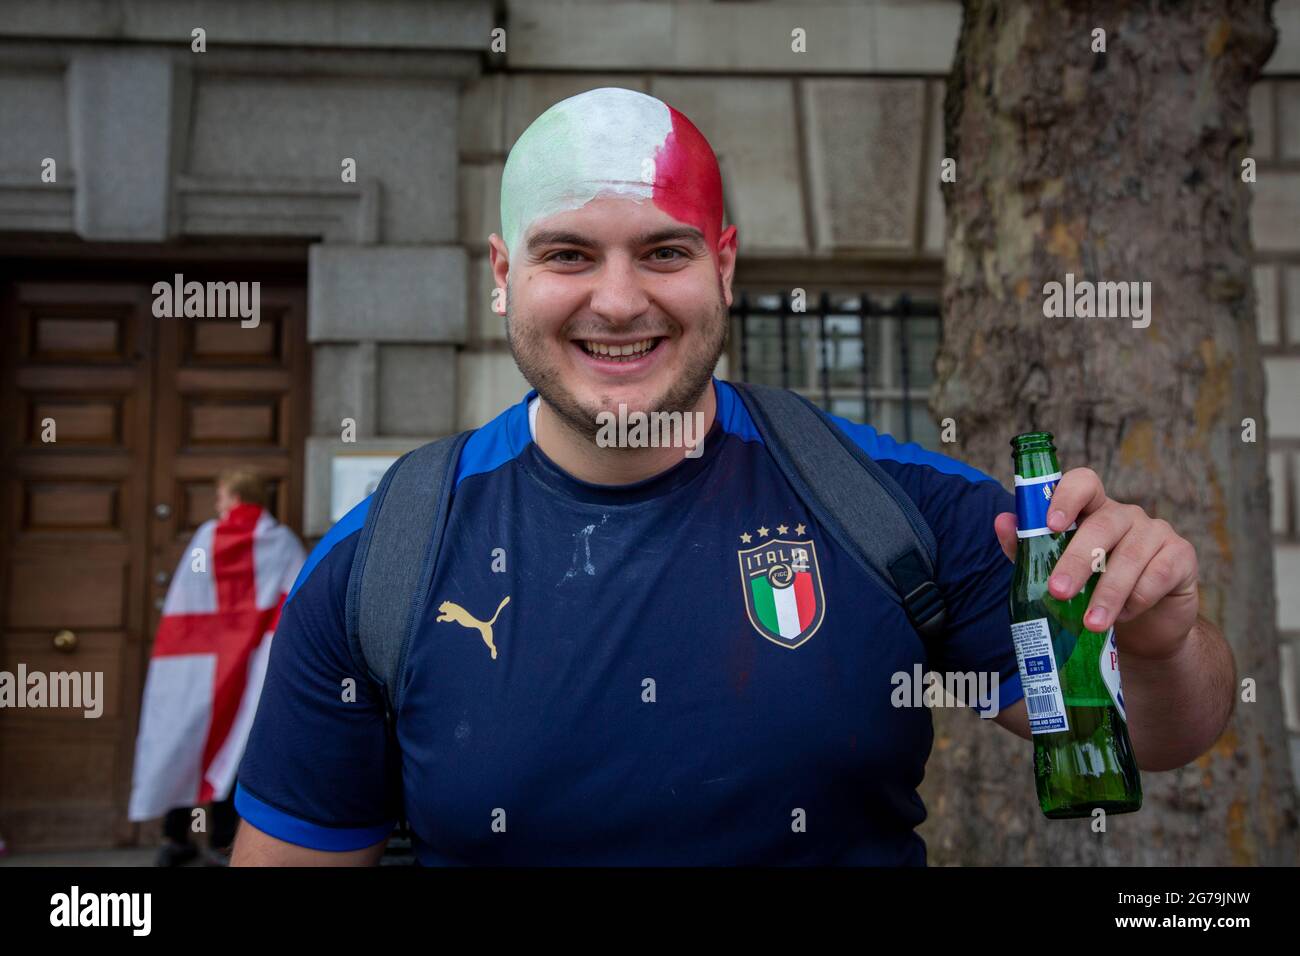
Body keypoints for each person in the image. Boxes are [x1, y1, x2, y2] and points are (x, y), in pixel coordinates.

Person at [231, 87, 1234, 866]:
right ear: (502, 274)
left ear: (724, 265)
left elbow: (1154, 736)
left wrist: (1157, 642)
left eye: (662, 251)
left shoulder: (885, 502)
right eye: (569, 253)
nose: (617, 301)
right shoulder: (378, 564)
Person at [129, 468, 305, 866]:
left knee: (186, 738)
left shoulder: (208, 537)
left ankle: (175, 839)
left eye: (221, 496)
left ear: (235, 497)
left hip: (200, 661)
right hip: (252, 664)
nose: (218, 504)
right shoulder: (283, 542)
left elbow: (188, 597)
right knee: (236, 744)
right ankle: (225, 842)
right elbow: (297, 600)